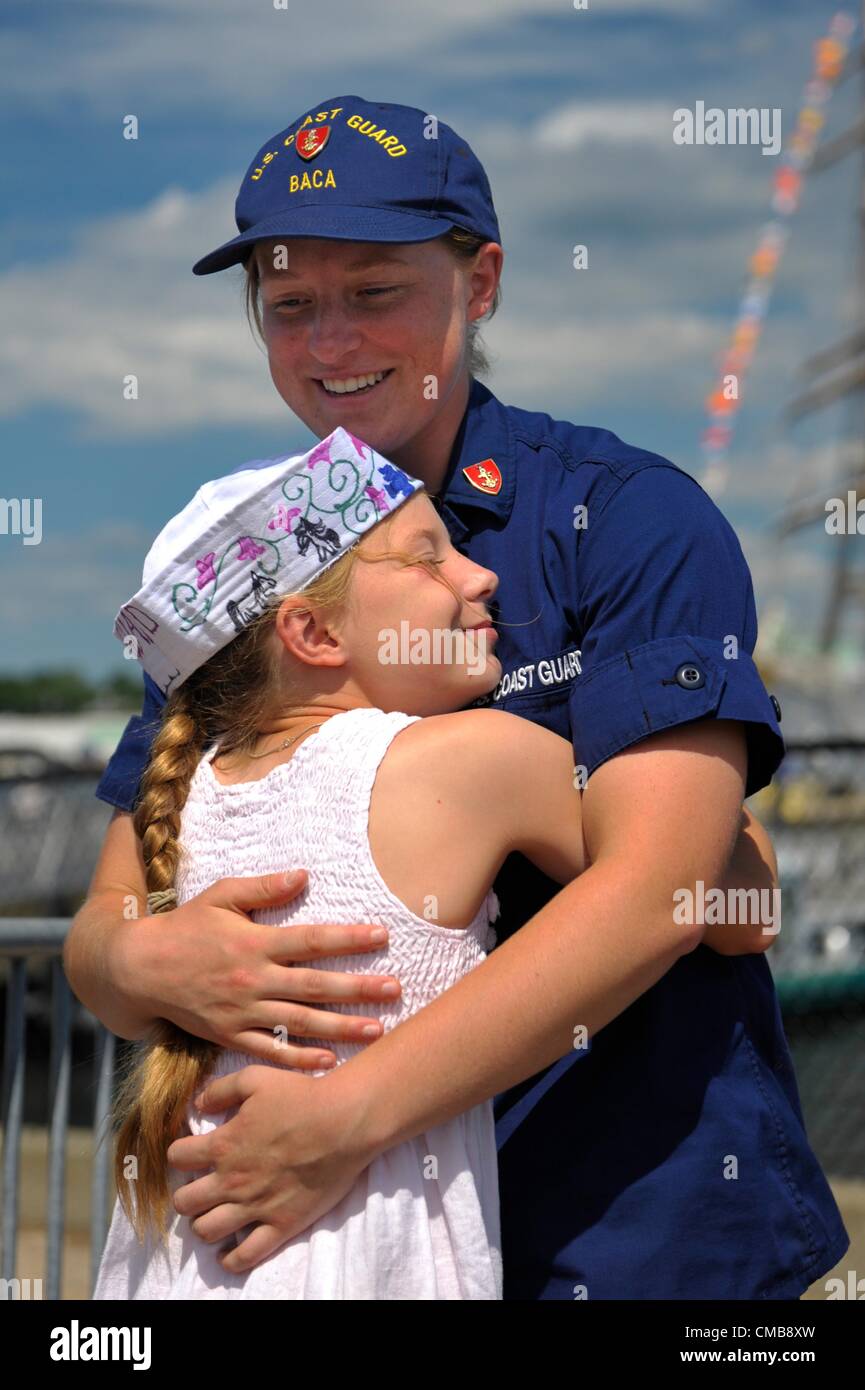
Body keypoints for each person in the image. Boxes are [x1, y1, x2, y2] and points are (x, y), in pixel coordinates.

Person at [66, 95, 849, 1300]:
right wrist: (155, 965)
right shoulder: (242, 569)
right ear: (305, 632)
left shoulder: (626, 521)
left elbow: (666, 894)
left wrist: (344, 1120)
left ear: (479, 281)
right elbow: (105, 928)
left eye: (374, 291)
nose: (330, 340)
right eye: (288, 305)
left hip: (638, 1234)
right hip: (329, 1233)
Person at [88, 426, 780, 1300]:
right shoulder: (475, 757)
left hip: (194, 1248)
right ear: (310, 630)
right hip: (370, 1257)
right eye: (429, 558)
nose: (480, 575)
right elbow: (736, 911)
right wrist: (722, 809)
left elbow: (100, 945)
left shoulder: (185, 791)